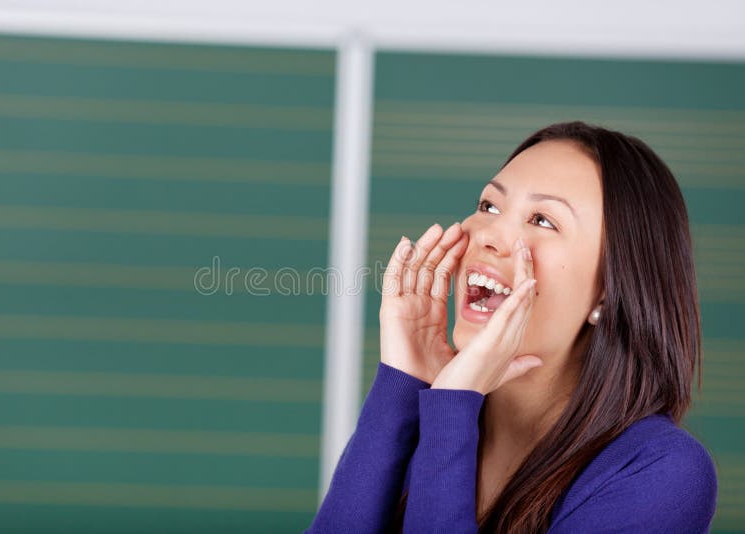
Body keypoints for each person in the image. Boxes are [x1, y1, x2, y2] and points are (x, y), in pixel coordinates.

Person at [305, 121, 718, 533]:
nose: (490, 235)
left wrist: (451, 407)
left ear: (608, 294)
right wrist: (401, 383)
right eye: (489, 206)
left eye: (543, 220)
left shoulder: (662, 473)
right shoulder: (425, 425)